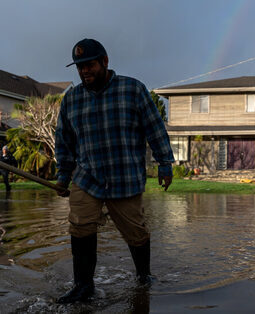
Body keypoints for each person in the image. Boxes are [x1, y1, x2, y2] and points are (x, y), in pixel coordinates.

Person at [54, 38, 174, 304]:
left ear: (105, 62)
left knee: (136, 232)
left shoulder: (132, 90)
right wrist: (63, 175)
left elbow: (155, 128)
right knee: (81, 228)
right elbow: (64, 140)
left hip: (125, 178)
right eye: (80, 67)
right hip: (87, 178)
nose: (85, 71)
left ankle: (144, 277)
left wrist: (165, 164)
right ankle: (83, 286)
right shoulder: (71, 99)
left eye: (90, 65)